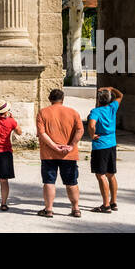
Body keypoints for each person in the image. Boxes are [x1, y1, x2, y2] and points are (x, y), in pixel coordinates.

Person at [36, 88, 83, 218]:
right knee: (71, 182)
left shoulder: (43, 112)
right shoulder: (73, 112)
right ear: (62, 99)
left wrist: (54, 146)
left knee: (49, 181)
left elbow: (42, 133)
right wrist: (71, 145)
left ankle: (49, 209)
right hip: (68, 154)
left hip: (48, 154)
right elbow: (80, 130)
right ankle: (76, 208)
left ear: (50, 99)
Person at [85, 86, 124, 213]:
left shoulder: (95, 111)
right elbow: (120, 95)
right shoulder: (112, 107)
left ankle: (106, 205)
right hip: (111, 144)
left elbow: (91, 125)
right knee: (111, 174)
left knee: (100, 175)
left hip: (100, 146)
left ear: (98, 100)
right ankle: (113, 202)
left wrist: (92, 135)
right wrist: (112, 88)